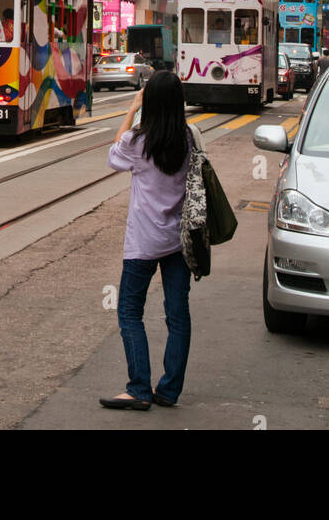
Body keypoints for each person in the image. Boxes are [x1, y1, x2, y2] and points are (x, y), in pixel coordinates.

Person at [101, 71, 199, 411]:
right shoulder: (188, 138)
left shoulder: (138, 142)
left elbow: (113, 155)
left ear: (151, 102)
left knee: (129, 312)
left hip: (143, 242)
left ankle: (139, 388)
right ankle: (169, 390)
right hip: (178, 242)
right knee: (178, 315)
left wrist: (132, 107)